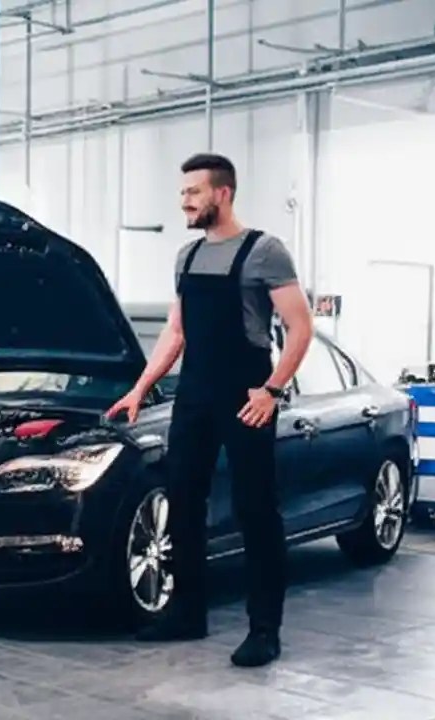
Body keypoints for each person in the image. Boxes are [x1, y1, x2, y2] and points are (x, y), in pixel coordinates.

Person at [106, 153, 313, 668]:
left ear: (222, 193)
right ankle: (186, 613)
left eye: (193, 192)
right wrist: (139, 389)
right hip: (194, 394)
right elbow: (175, 333)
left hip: (247, 397)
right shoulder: (187, 256)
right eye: (182, 194)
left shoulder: (265, 251)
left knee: (255, 509)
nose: (185, 201)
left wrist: (271, 389)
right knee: (182, 503)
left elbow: (300, 326)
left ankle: (264, 630)